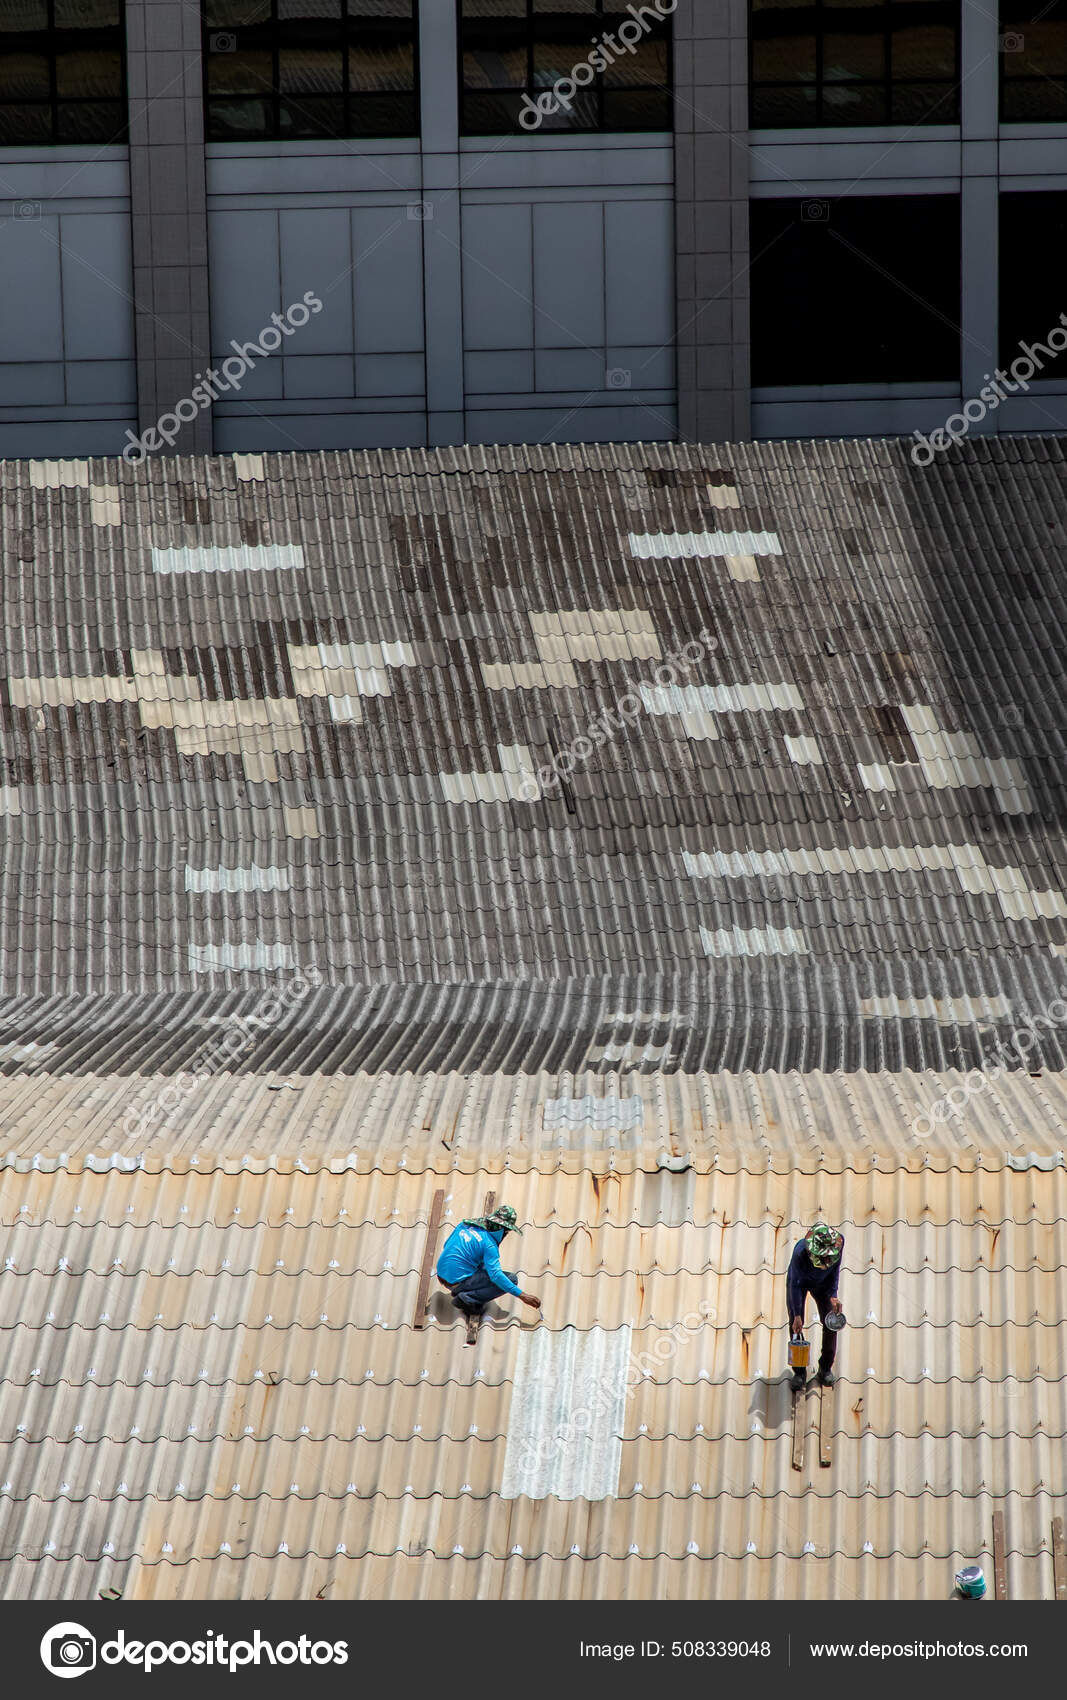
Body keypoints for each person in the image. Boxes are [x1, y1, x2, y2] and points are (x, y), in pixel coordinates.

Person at [436, 1203, 542, 1317]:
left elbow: (446, 1245)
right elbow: (496, 1276)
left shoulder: (465, 1225)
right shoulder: (489, 1245)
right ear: (503, 1230)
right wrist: (523, 1296)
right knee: (511, 1279)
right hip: (456, 1283)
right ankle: (467, 1299)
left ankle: (462, 1287)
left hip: (441, 1275)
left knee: (483, 1264)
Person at [786, 1222, 844, 1390]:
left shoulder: (840, 1243)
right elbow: (795, 1285)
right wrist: (797, 1314)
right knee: (795, 1326)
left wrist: (833, 1295)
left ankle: (825, 1367)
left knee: (831, 1322)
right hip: (800, 1283)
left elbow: (835, 1270)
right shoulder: (799, 1254)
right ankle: (799, 1371)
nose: (827, 1259)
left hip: (824, 1284)